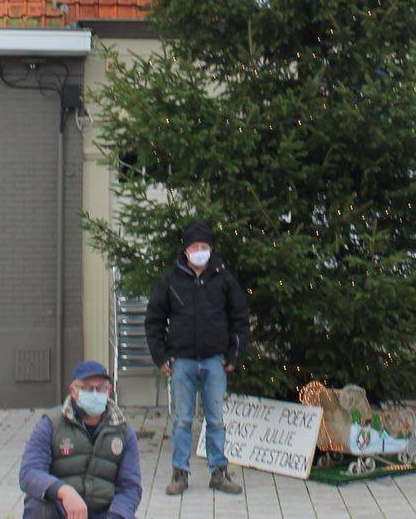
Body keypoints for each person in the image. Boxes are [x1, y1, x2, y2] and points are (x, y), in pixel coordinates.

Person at [145, 218, 250, 496]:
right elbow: (154, 320)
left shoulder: (224, 279)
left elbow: (240, 318)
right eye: (195, 246)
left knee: (215, 420)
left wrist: (234, 355)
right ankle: (179, 473)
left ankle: (219, 472)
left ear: (211, 249)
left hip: (215, 361)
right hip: (182, 362)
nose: (200, 250)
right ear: (186, 250)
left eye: (205, 246)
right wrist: (161, 356)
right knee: (182, 419)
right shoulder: (170, 280)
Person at [19, 359, 142, 519]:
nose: (95, 393)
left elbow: (130, 487)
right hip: (62, 509)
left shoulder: (123, 431)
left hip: (104, 512)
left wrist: (116, 514)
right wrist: (64, 491)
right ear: (73, 391)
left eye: (100, 388)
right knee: (38, 506)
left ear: (109, 391)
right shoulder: (50, 424)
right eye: (87, 389)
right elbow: (29, 473)